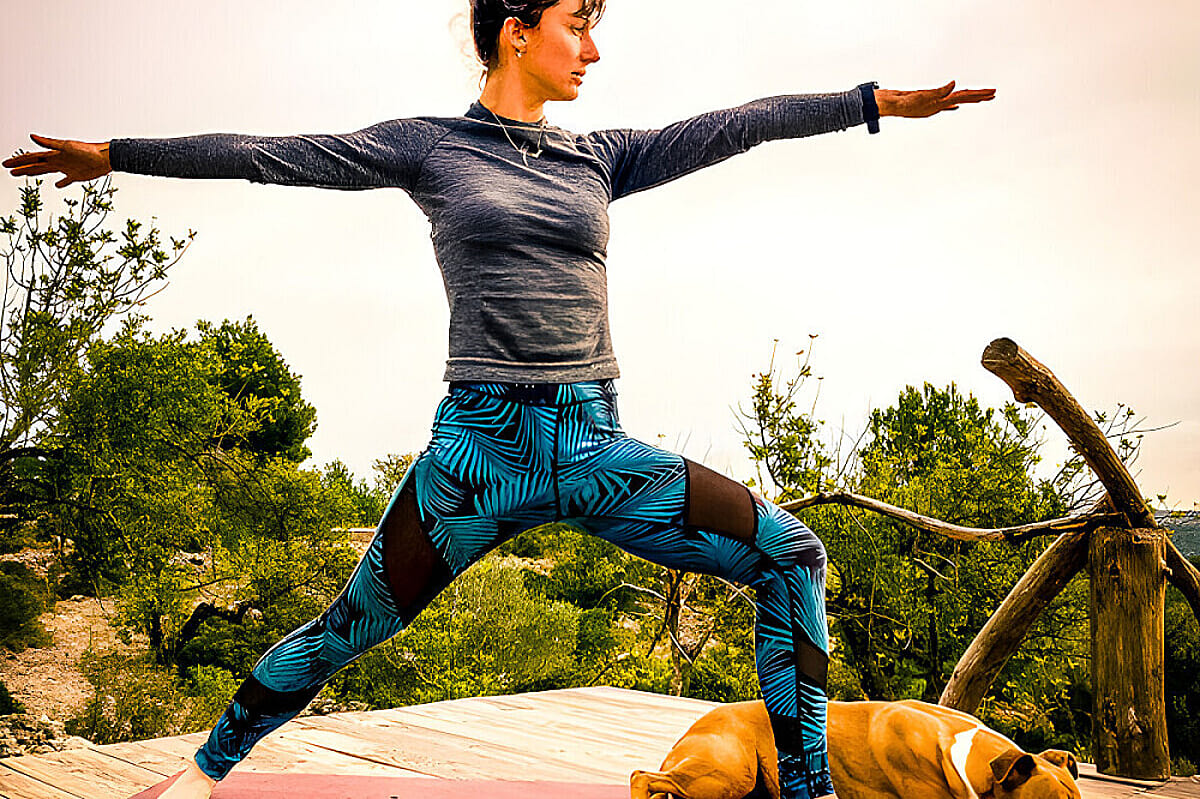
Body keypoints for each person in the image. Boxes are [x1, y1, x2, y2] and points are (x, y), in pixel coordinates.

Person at [4, 1, 993, 797]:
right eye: (579, 21)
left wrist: (870, 101)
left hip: (599, 450)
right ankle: (201, 771)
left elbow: (742, 123)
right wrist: (116, 153)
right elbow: (272, 152)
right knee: (344, 632)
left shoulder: (600, 155)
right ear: (515, 30)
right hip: (481, 458)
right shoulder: (429, 147)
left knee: (791, 556)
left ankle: (806, 791)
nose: (594, 49)